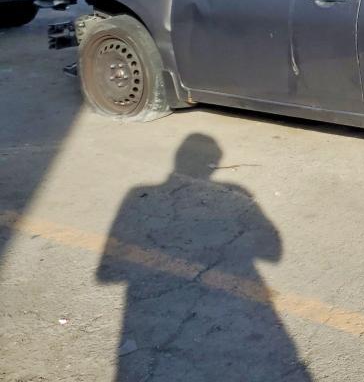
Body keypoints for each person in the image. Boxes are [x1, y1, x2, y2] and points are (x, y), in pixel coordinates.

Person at [97, 134, 311, 381]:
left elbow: (106, 274)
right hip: (242, 308)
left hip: (146, 315)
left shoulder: (138, 193)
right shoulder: (237, 190)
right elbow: (274, 252)